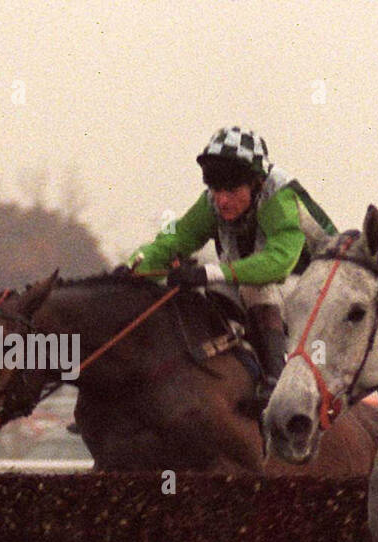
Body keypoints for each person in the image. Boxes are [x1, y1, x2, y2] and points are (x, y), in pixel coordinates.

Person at [125, 127, 336, 404]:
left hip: (322, 290)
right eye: (215, 189)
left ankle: (277, 382)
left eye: (232, 190)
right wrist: (131, 270)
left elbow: (278, 264)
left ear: (256, 183)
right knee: (198, 297)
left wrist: (208, 272)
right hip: (273, 289)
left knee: (253, 288)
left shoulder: (280, 198)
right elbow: (174, 240)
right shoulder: (212, 203)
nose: (221, 199)